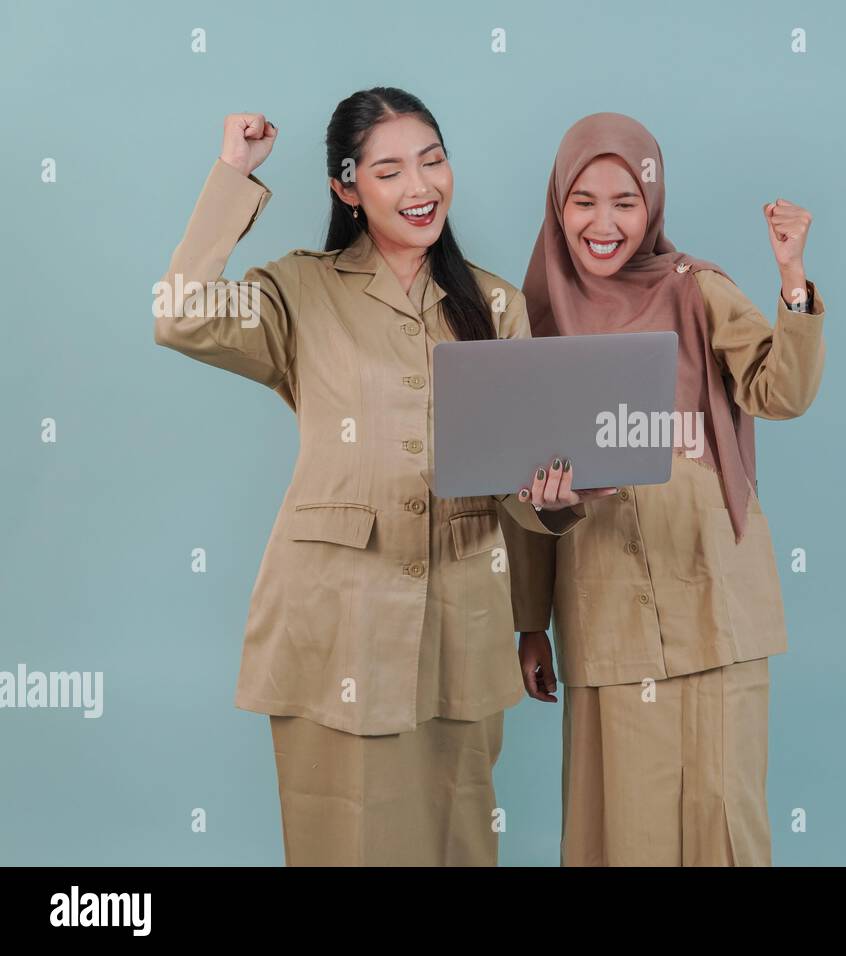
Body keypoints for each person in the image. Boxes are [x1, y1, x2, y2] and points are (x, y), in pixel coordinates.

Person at [153, 87, 596, 866]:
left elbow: (516, 491)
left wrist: (551, 506)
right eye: (389, 171)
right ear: (347, 187)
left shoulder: (494, 304)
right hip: (334, 626)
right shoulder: (298, 289)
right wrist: (232, 172)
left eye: (432, 161)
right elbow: (181, 313)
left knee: (459, 843)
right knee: (343, 843)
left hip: (461, 630)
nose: (420, 188)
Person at [503, 112, 827, 866]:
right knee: (622, 829)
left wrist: (793, 281)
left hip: (715, 598)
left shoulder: (696, 289)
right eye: (584, 201)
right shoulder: (536, 320)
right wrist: (529, 622)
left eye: (626, 201)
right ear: (558, 207)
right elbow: (521, 500)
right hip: (605, 606)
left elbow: (780, 393)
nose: (605, 222)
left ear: (653, 206)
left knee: (721, 818)